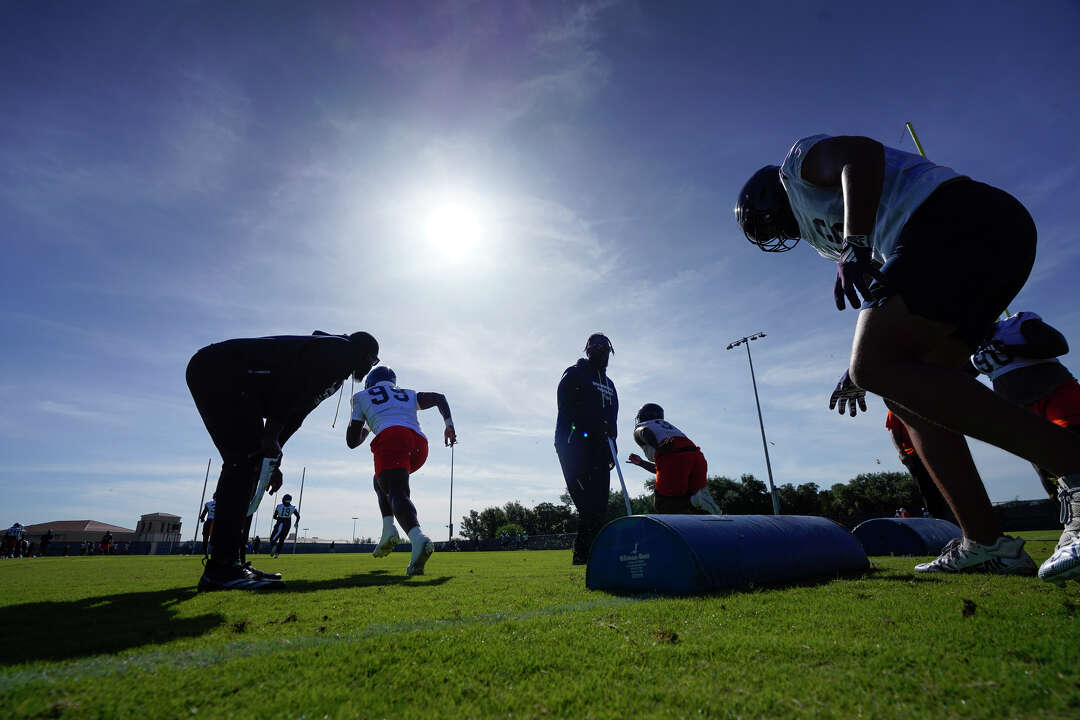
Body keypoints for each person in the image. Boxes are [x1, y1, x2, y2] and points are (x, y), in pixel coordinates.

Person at [736, 134, 1080, 583]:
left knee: (876, 368)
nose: (781, 236)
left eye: (770, 227)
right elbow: (896, 294)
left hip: (954, 218)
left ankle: (1073, 463)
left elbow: (860, 153)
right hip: (981, 238)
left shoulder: (797, 167)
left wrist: (855, 243)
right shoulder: (831, 230)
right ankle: (986, 542)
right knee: (905, 394)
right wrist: (867, 361)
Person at [186, 330, 379, 591]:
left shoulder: (336, 370)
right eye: (372, 361)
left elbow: (296, 413)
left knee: (252, 465)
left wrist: (274, 455)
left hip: (236, 383)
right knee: (243, 462)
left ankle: (234, 563)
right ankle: (221, 568)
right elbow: (293, 383)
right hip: (220, 371)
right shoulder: (340, 350)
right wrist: (271, 438)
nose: (369, 369)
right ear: (364, 355)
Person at [347, 365, 456, 577]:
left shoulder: (360, 396)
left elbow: (352, 441)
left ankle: (417, 538)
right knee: (380, 482)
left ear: (370, 382)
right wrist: (449, 424)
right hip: (419, 444)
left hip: (392, 438)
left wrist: (368, 424)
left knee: (396, 491)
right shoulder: (407, 393)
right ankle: (389, 529)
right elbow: (439, 398)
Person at [554, 333, 618, 565]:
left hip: (601, 449)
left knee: (600, 506)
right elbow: (566, 408)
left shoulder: (610, 385)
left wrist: (613, 443)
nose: (602, 355)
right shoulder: (575, 374)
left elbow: (613, 419)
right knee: (587, 505)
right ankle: (583, 555)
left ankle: (590, 555)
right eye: (597, 350)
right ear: (588, 350)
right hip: (573, 446)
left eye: (606, 351)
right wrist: (589, 427)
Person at [626, 403, 722, 515]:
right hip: (696, 457)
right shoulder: (668, 428)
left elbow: (644, 431)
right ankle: (699, 506)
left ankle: (693, 501)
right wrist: (641, 463)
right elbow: (664, 470)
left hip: (674, 455)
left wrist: (658, 447)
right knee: (685, 503)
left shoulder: (642, 427)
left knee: (663, 504)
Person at [883, 411, 954, 522]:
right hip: (914, 455)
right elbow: (893, 430)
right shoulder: (895, 404)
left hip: (934, 453)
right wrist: (901, 452)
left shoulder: (925, 400)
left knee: (945, 486)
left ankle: (952, 518)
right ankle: (937, 519)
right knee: (927, 489)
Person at [269, 494, 299, 558]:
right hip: (288, 524)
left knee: (273, 538)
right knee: (282, 539)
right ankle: (277, 554)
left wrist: (278, 519)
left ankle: (274, 545)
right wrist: (296, 523)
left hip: (280, 523)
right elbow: (298, 516)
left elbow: (274, 516)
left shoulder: (279, 506)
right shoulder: (292, 507)